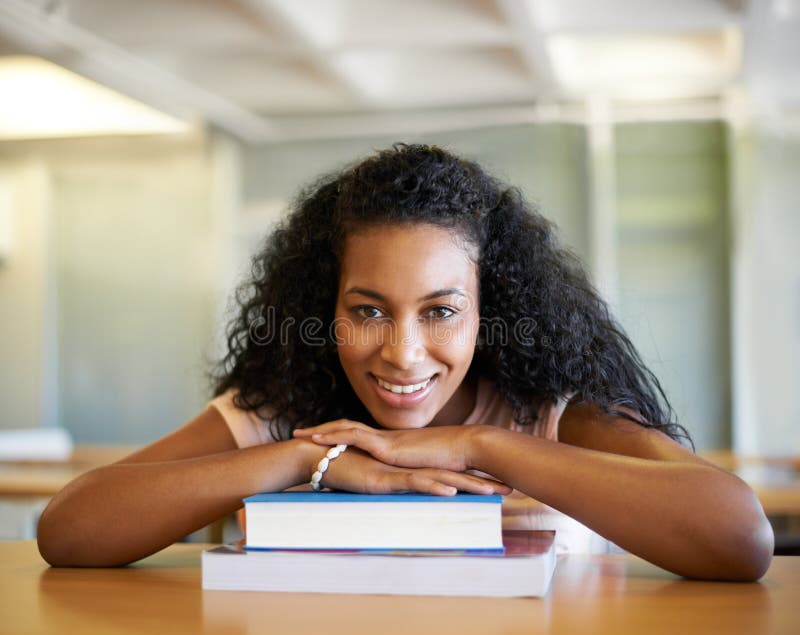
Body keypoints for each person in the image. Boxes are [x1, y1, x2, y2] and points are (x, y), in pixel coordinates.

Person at [37, 143, 773, 580]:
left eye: (441, 310)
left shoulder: (545, 405)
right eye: (367, 310)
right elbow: (69, 528)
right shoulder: (287, 401)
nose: (402, 351)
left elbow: (741, 536)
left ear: (490, 310)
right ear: (327, 306)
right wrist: (305, 461)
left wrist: (478, 443)